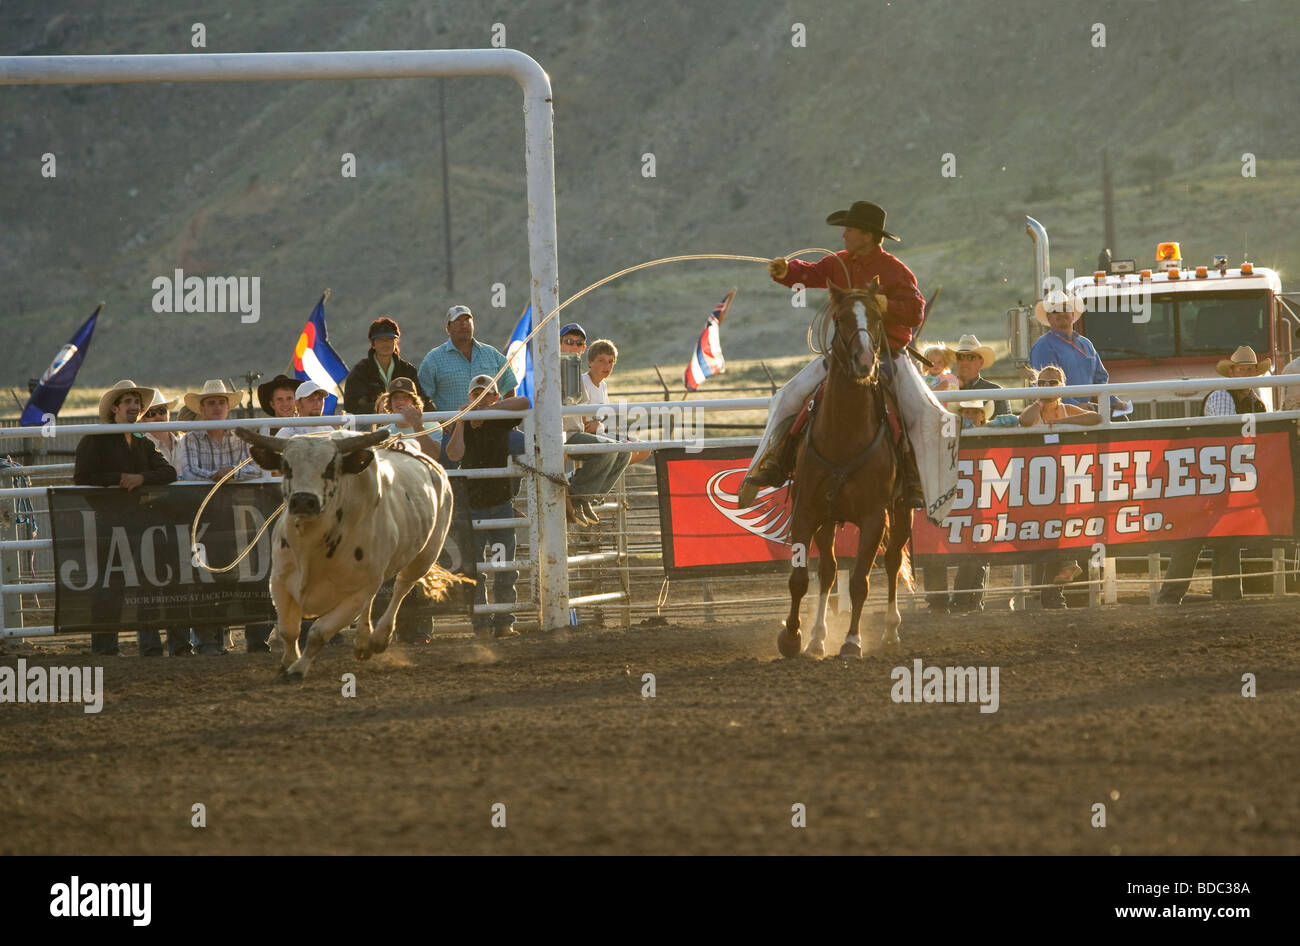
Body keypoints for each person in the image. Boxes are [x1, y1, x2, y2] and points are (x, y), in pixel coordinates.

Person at [739, 200, 936, 511]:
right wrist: (787, 271)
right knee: (787, 397)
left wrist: (886, 306)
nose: (844, 234)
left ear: (868, 236)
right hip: (842, 356)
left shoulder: (896, 270)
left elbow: (915, 312)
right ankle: (769, 463)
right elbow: (812, 274)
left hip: (889, 355)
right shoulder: (839, 262)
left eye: (850, 229)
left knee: (923, 413)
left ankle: (915, 479)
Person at [1158, 346, 1271, 605]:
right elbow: (1227, 434)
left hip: (1225, 474)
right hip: (1209, 474)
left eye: (1250, 370)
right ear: (1232, 372)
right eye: (1242, 369)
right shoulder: (1223, 396)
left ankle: (1218, 596)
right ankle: (1183, 596)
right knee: (1197, 534)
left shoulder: (1255, 402)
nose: (1246, 374)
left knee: (1222, 533)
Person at [73, 380, 179, 656]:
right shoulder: (95, 439)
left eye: (137, 402)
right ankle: (105, 646)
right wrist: (119, 480)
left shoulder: (143, 440)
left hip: (140, 520)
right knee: (110, 582)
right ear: (115, 408)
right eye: (128, 402)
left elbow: (169, 472)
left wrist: (141, 477)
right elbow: (83, 478)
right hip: (109, 519)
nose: (134, 407)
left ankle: (149, 645)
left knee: (146, 581)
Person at [178, 380, 262, 655]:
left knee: (241, 575)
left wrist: (229, 474)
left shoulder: (241, 436)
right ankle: (207, 639)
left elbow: (254, 469)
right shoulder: (191, 438)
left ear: (228, 407)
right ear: (202, 408)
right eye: (211, 402)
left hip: (235, 517)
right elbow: (188, 472)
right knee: (202, 578)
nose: (216, 407)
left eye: (220, 402)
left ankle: (243, 638)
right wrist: (226, 474)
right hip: (202, 518)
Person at [445, 374, 530, 639]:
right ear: (468, 397)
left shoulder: (501, 418)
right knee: (476, 568)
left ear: (495, 397)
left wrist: (487, 410)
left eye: (487, 394)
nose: (481, 399)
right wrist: (462, 422)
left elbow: (524, 401)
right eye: (476, 395)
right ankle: (481, 625)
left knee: (504, 565)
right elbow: (454, 455)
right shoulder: (466, 422)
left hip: (499, 502)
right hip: (474, 504)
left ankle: (505, 621)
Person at [564, 338, 634, 524]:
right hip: (573, 434)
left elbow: (598, 420)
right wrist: (597, 426)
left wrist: (600, 427)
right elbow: (586, 421)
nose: (607, 366)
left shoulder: (602, 386)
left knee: (625, 452)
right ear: (590, 361)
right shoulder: (583, 382)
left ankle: (590, 496)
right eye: (602, 360)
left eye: (610, 362)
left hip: (593, 434)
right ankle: (577, 495)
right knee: (610, 450)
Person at [1029, 290, 1131, 415]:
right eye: (1055, 311)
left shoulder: (1086, 344)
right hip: (1056, 413)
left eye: (1065, 309)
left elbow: (1099, 380)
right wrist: (1076, 405)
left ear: (1072, 313)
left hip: (1084, 410)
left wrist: (1114, 401)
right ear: (1049, 317)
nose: (1061, 313)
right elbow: (1046, 387)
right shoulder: (1043, 347)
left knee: (1121, 420)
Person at [343, 316, 430, 417]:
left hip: (404, 422)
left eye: (389, 339)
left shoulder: (408, 370)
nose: (385, 344)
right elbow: (351, 405)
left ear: (395, 342)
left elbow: (420, 399)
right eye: (380, 340)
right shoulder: (360, 371)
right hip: (370, 424)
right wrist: (381, 407)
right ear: (373, 344)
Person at [1017, 365, 1103, 428]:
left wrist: (1061, 422)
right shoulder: (1033, 410)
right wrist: (1040, 402)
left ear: (1061, 387)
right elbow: (1025, 421)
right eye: (1042, 383)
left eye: (1052, 383)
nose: (1047, 386)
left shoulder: (1067, 409)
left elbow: (1096, 418)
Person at [375, 377, 440, 458]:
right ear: (390, 404)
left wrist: (417, 424)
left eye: (405, 397)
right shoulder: (382, 432)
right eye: (395, 397)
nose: (400, 401)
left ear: (414, 401)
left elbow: (432, 455)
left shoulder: (432, 426)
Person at [946, 335, 1009, 417]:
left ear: (981, 362)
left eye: (970, 357)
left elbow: (1006, 426)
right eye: (960, 357)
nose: (964, 362)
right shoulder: (944, 386)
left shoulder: (996, 391)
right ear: (956, 361)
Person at [140, 388, 184, 472]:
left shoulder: (183, 443)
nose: (158, 416)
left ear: (169, 413)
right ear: (143, 419)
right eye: (151, 413)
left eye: (162, 410)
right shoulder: (141, 447)